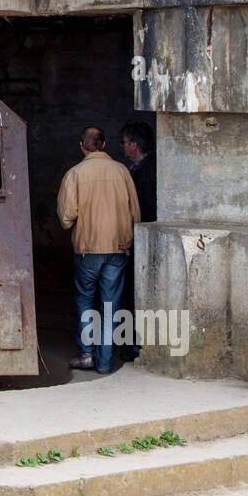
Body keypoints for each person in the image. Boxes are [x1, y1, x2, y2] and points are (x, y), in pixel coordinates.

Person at [57, 127, 140, 374]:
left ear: (81, 146)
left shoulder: (75, 174)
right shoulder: (122, 171)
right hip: (117, 248)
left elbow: (65, 218)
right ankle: (105, 362)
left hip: (88, 250)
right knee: (110, 304)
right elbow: (136, 214)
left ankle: (86, 354)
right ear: (104, 145)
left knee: (85, 300)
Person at [116, 121, 157, 362]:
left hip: (140, 241)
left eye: (123, 142)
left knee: (133, 293)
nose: (121, 147)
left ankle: (134, 343)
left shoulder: (144, 172)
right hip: (142, 240)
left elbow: (142, 209)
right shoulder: (144, 168)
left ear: (133, 145)